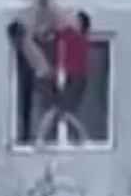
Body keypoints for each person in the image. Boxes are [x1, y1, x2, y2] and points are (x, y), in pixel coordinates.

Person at [33, 10, 92, 144]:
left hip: (74, 78)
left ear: (80, 24)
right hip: (75, 77)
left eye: (75, 20)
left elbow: (53, 31)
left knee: (59, 109)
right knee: (61, 110)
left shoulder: (74, 35)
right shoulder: (80, 38)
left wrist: (44, 29)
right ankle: (81, 136)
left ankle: (41, 138)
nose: (72, 21)